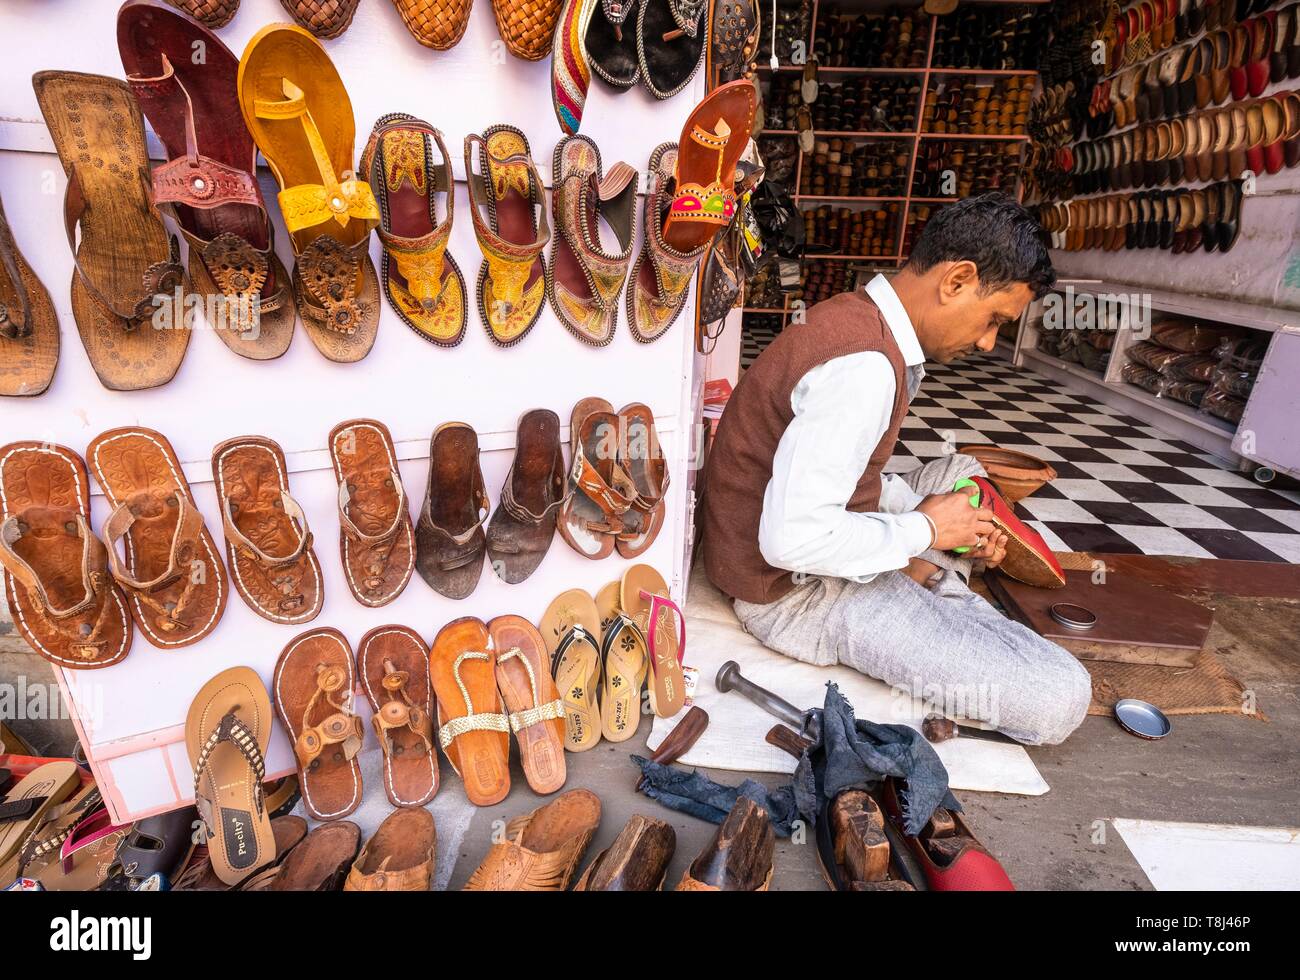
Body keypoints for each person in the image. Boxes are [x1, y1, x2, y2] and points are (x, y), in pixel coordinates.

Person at [701, 193, 1091, 745]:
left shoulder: (858, 314)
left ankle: (935, 571)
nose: (987, 341)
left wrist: (938, 521)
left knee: (962, 471)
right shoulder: (863, 368)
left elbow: (842, 476)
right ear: (957, 280)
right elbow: (791, 542)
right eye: (994, 320)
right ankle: (938, 582)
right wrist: (929, 532)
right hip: (795, 594)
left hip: (806, 536)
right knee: (1059, 697)